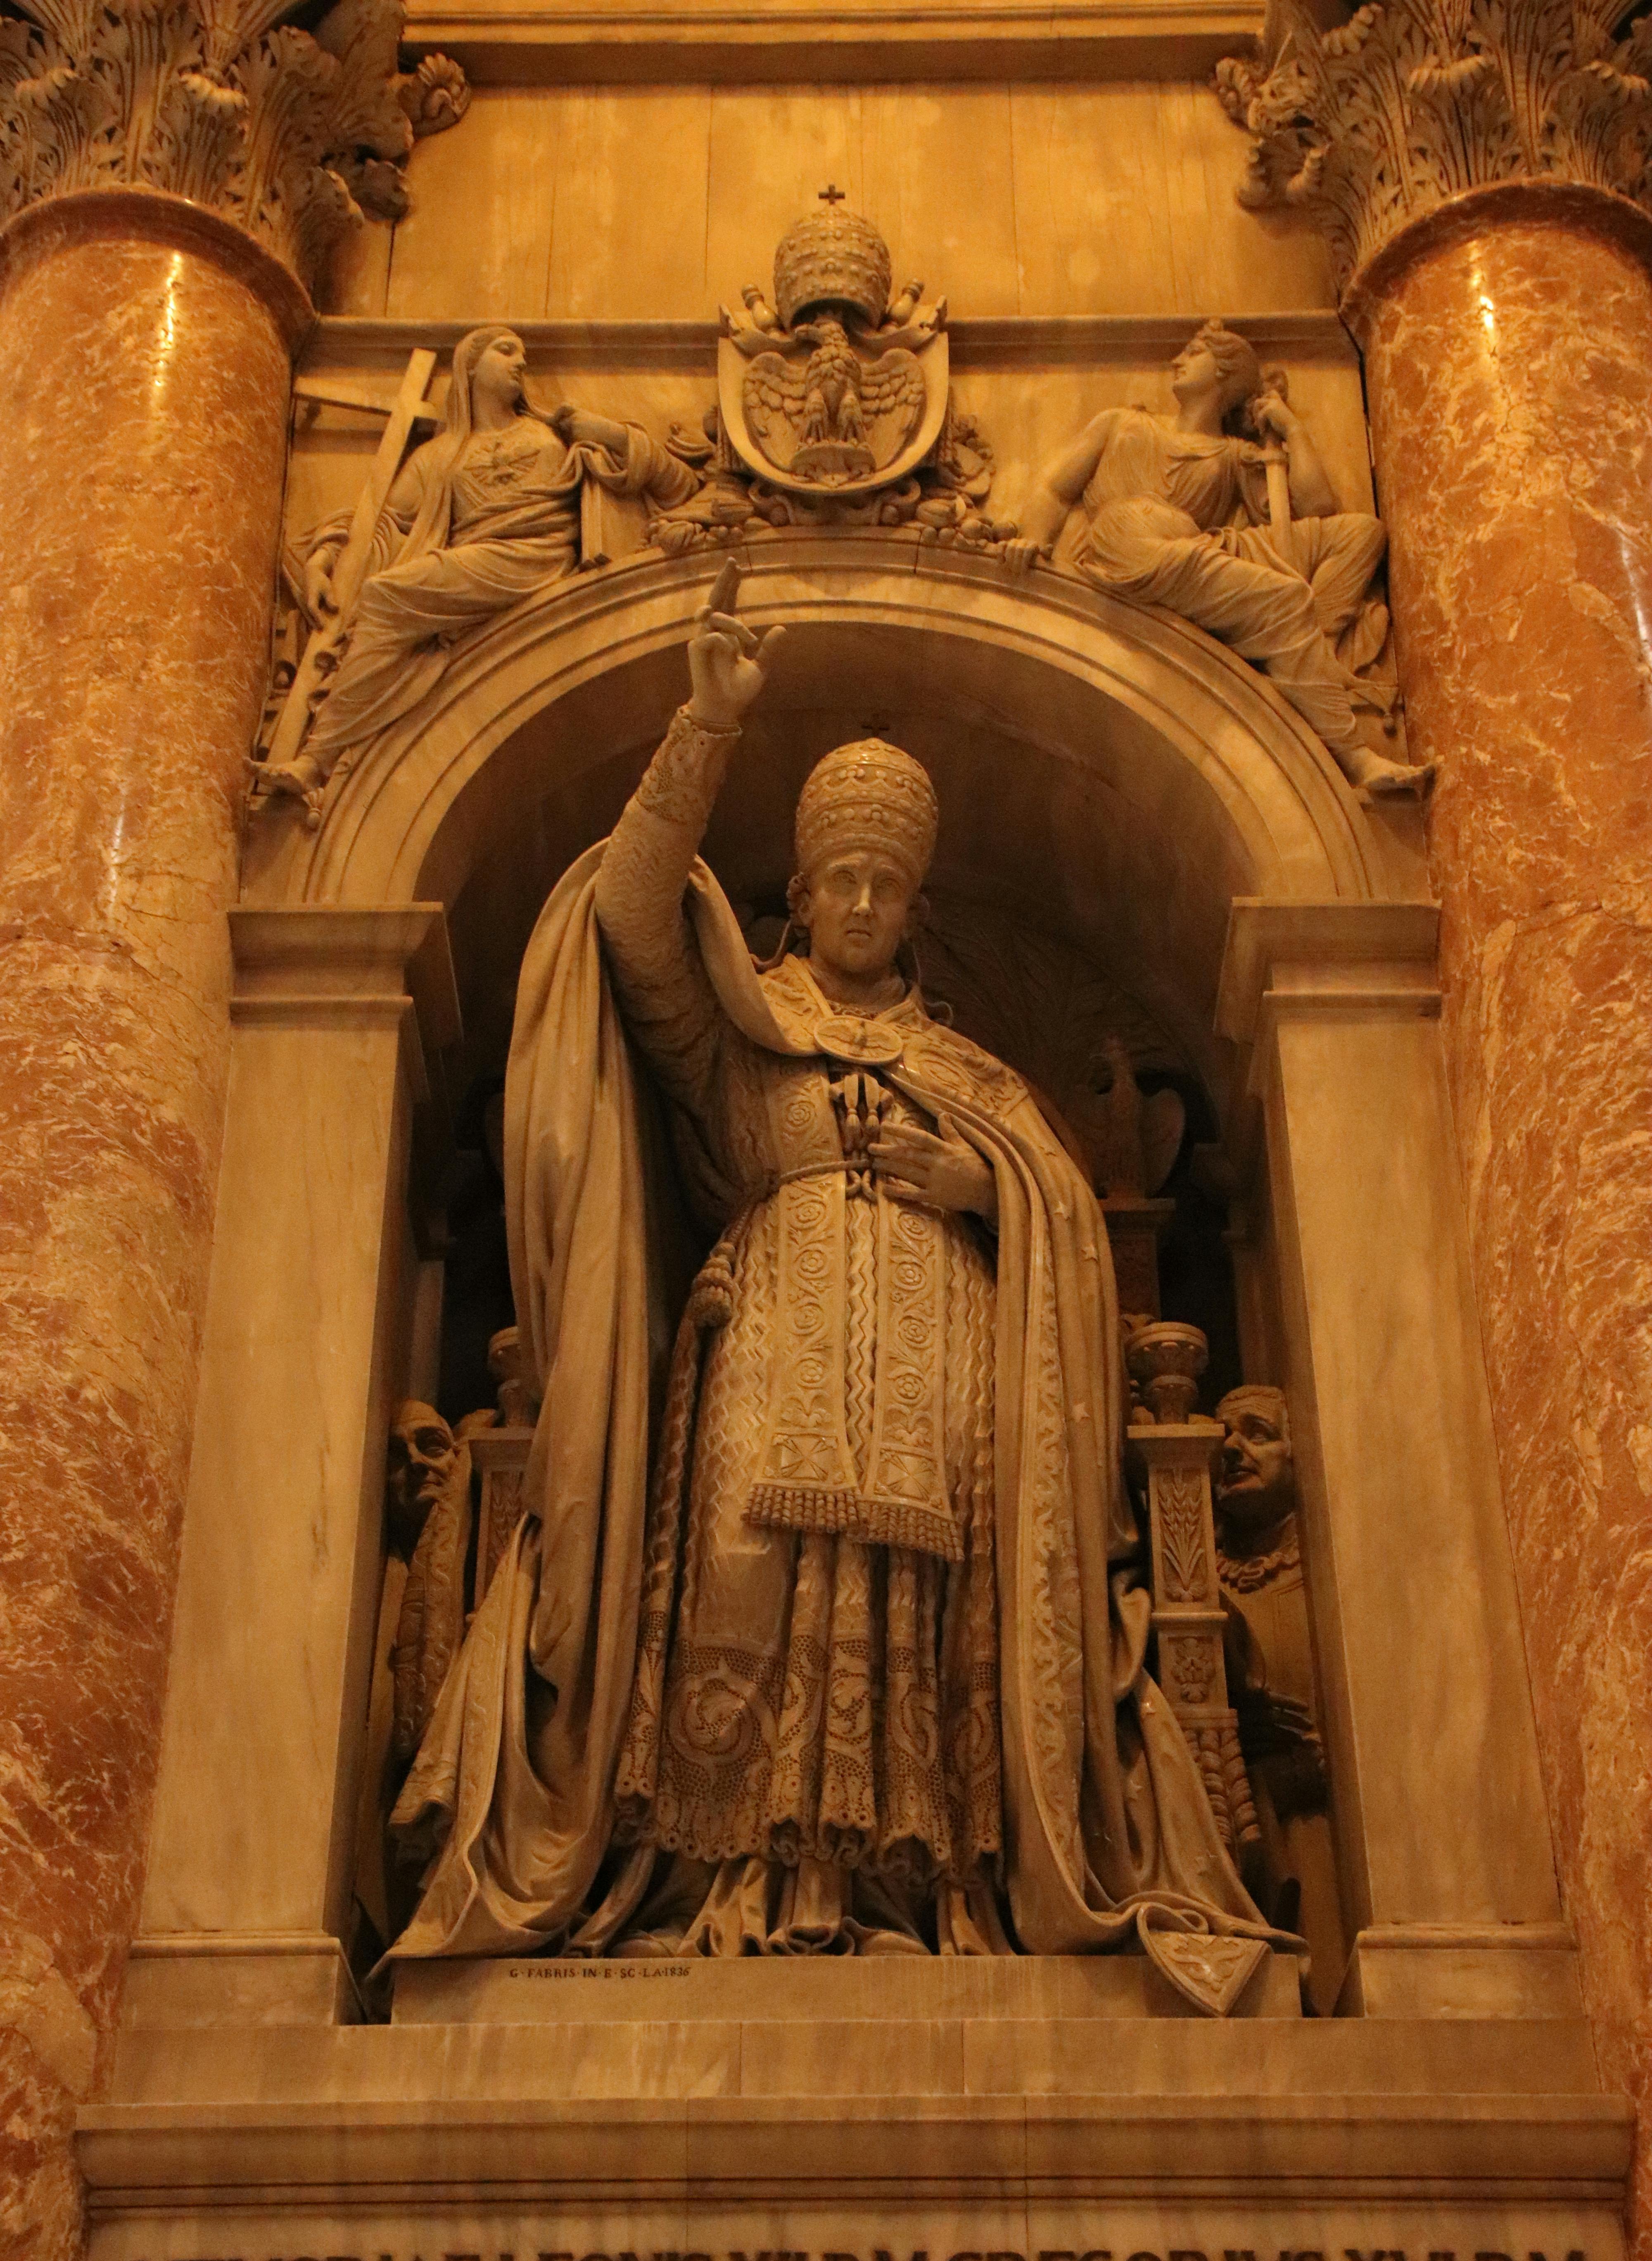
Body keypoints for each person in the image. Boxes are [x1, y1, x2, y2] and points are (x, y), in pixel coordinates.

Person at [385, 563, 1291, 2010]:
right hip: (763, 1346)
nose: (863, 902)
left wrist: (982, 1187)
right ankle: (724, 1881)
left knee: (923, 1612)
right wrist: (705, 728)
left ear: (914, 907)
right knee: (738, 1583)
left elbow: (1063, 1218)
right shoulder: (739, 1035)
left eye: (887, 884)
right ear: (798, 896)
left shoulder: (971, 1075)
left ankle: (915, 1889)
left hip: (945, 1375)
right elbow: (630, 918)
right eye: (840, 881)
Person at [257, 326, 700, 803]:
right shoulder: (440, 456)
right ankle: (318, 757)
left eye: (522, 353)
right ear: (470, 365)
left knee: (385, 596)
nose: (521, 362)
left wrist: (605, 433)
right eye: (506, 351)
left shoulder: (554, 433)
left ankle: (316, 758)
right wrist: (324, 558)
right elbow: (383, 523)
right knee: (383, 598)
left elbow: (675, 483)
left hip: (539, 556)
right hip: (476, 562)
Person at [1004, 321, 1430, 799]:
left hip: (1200, 546)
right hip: (1127, 541)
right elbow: (1055, 490)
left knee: (1359, 534)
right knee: (1284, 597)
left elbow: (1316, 507)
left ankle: (1315, 655)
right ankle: (1347, 742)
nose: (1176, 360)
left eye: (1193, 352)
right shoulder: (1120, 424)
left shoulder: (1234, 456)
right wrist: (1034, 540)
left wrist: (1292, 429)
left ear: (1226, 373)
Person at [1214, 1383, 1346, 2013]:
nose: (1232, 1449)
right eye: (1223, 1437)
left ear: (1299, 1454)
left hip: (1315, 1824)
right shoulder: (1198, 1584)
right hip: (1238, 1818)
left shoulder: (1325, 1573)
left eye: (1257, 1433)